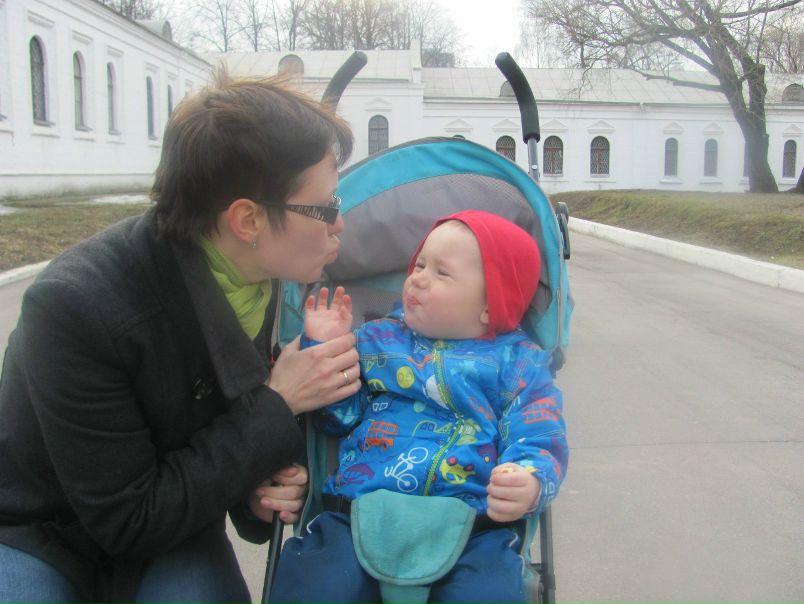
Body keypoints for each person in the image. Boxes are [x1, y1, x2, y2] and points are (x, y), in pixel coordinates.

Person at [0, 71, 363, 604]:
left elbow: (220, 435)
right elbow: (128, 519)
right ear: (248, 220)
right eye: (326, 207)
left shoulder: (255, 280)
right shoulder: (76, 306)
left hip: (173, 526)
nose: (340, 224)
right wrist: (277, 403)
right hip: (43, 532)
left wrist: (258, 494)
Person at [270, 210, 569, 604]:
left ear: (490, 305)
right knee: (316, 585)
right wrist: (325, 347)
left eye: (441, 273)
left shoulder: (519, 365)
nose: (418, 278)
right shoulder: (376, 341)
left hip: (472, 525)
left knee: (490, 592)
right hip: (357, 512)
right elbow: (338, 418)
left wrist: (530, 480)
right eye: (420, 265)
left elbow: (539, 433)